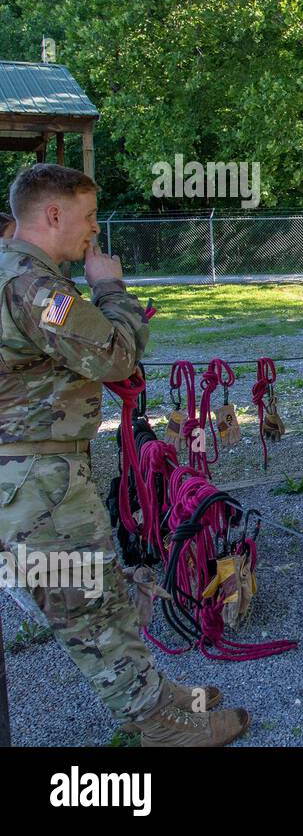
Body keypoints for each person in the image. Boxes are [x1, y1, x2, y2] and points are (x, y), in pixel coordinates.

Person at [0, 163, 248, 746]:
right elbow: (114, 355)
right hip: (38, 479)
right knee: (89, 607)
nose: (93, 233)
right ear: (52, 214)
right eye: (86, 218)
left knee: (100, 593)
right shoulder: (31, 285)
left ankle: (154, 694)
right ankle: (159, 724)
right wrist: (111, 289)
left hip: (39, 471)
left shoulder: (19, 272)